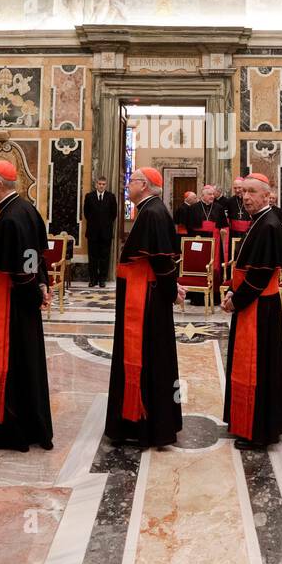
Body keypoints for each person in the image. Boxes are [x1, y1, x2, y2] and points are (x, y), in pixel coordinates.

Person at [0, 160, 54, 451]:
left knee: (14, 368)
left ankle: (9, 429)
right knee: (26, 366)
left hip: (10, 309)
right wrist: (40, 286)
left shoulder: (10, 218)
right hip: (23, 304)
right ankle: (33, 426)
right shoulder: (25, 209)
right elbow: (34, 257)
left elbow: (22, 268)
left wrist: (32, 290)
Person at [106, 167, 184, 447]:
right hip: (145, 293)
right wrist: (172, 286)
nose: (128, 184)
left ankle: (146, 424)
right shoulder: (150, 210)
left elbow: (162, 261)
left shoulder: (152, 212)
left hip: (146, 299)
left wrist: (172, 290)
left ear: (146, 185)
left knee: (149, 357)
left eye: (132, 181)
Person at [221, 173, 282, 449]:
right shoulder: (259, 222)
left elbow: (259, 276)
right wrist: (231, 291)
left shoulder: (269, 224)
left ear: (267, 196)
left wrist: (236, 300)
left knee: (256, 368)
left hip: (258, 307)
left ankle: (258, 430)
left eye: (251, 192)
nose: (246, 197)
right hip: (253, 303)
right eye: (243, 193)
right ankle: (251, 421)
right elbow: (244, 266)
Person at [82, 176, 118, 288]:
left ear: (106, 185)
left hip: (106, 233)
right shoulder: (89, 197)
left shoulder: (111, 197)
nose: (101, 186)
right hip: (92, 233)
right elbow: (86, 213)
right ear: (96, 184)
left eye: (103, 184)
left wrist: (104, 225)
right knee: (92, 257)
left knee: (104, 257)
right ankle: (93, 279)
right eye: (99, 183)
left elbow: (113, 214)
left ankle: (102, 279)